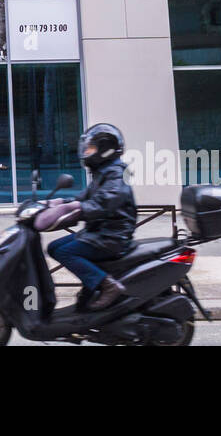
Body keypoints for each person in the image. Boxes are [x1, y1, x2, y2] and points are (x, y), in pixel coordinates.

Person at [46, 123, 137, 311]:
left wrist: (79, 209)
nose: (86, 152)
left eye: (91, 148)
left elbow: (106, 201)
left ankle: (108, 286)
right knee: (54, 247)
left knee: (65, 252)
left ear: (105, 149)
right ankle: (91, 287)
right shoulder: (104, 171)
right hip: (99, 232)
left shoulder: (117, 173)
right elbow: (85, 197)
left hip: (111, 236)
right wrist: (59, 203)